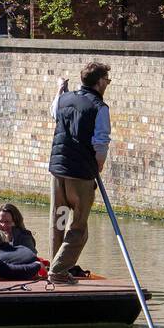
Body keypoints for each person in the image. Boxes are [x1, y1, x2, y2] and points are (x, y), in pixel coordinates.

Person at [47, 60, 112, 284]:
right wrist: (97, 169)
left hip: (58, 172)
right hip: (80, 174)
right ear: (100, 82)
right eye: (107, 80)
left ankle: (56, 267)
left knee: (59, 221)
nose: (108, 84)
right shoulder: (99, 108)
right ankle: (58, 270)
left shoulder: (64, 98)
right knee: (78, 228)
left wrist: (59, 89)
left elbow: (54, 112)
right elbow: (101, 143)